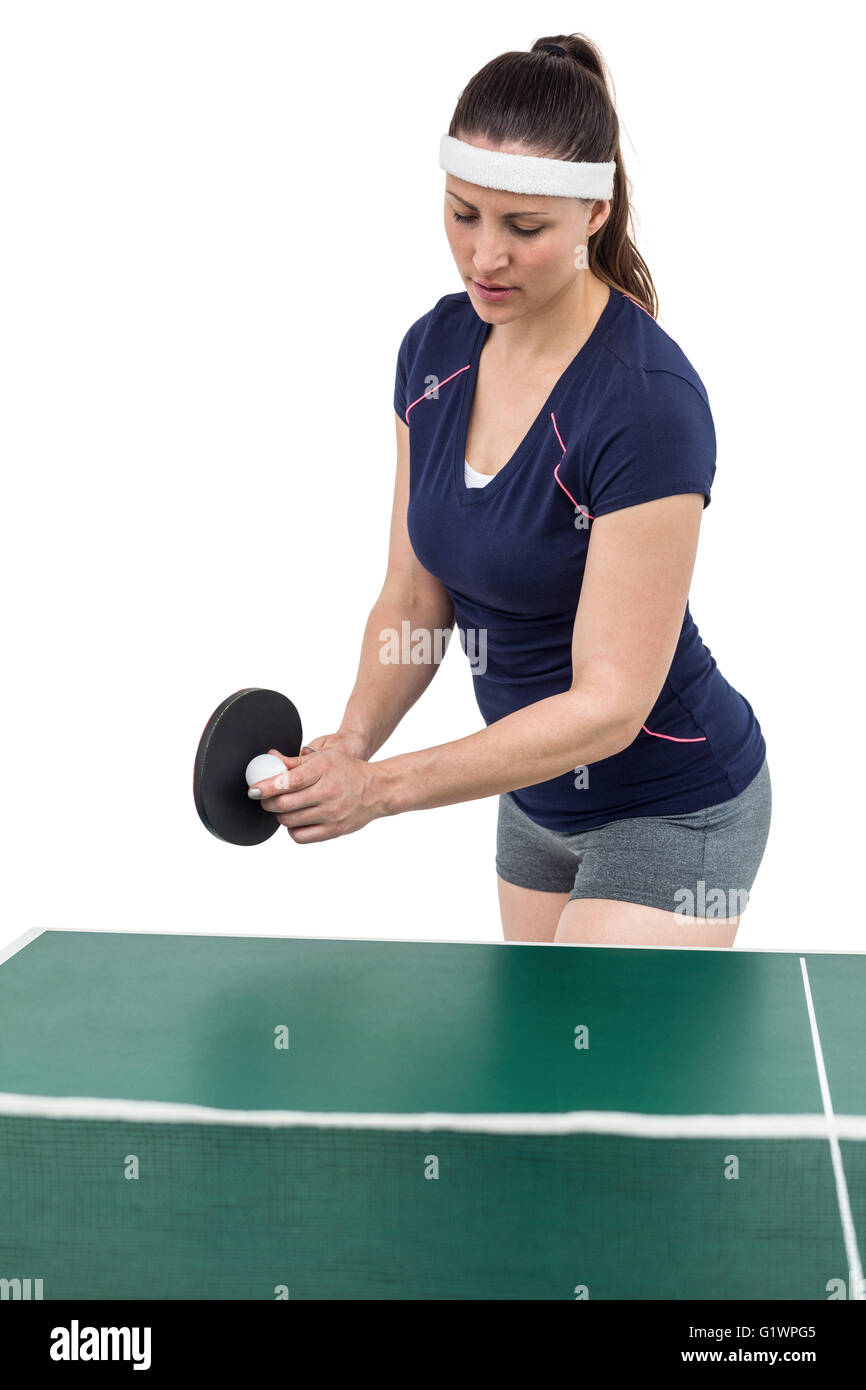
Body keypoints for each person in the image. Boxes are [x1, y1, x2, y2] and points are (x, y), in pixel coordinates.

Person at [257, 33, 771, 949]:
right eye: (463, 215)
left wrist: (385, 790)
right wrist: (352, 743)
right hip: (533, 801)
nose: (483, 257)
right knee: (543, 1080)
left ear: (592, 216)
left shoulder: (646, 406)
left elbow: (610, 705)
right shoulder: (433, 354)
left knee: (600, 1079)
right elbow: (416, 595)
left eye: (523, 228)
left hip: (673, 804)